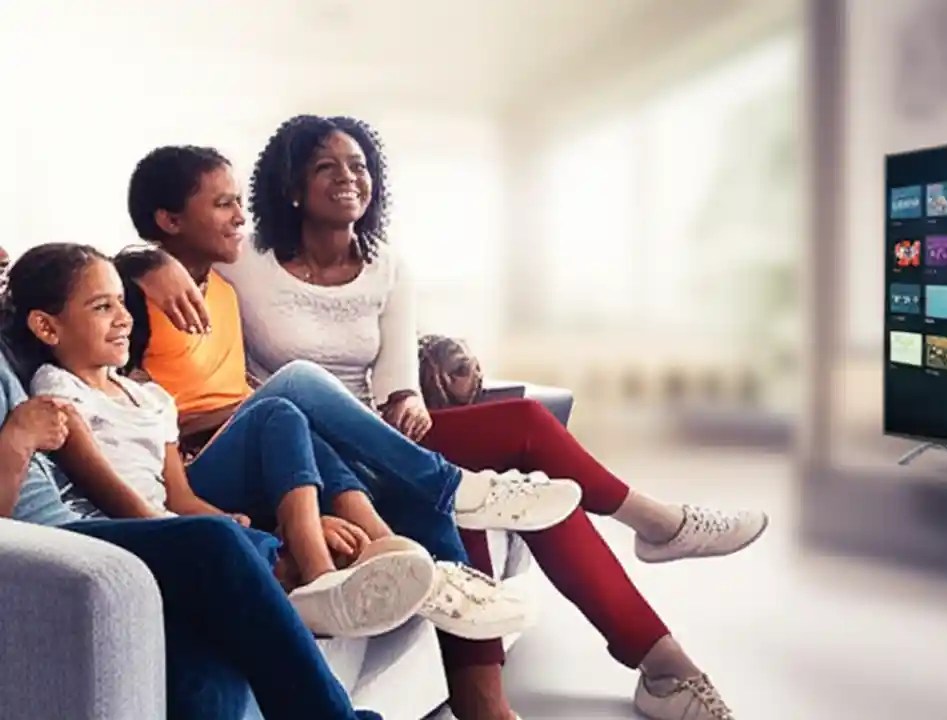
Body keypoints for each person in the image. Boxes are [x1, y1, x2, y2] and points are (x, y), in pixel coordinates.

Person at [131, 124, 767, 720]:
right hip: (294, 442)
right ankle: (651, 539)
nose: (347, 176)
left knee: (515, 470)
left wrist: (407, 398)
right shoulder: (245, 262)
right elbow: (133, 259)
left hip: (376, 433)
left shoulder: (387, 267)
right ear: (291, 187)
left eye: (357, 164)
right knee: (466, 459)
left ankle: (653, 664)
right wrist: (146, 262)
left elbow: (398, 373)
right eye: (325, 166)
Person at [9, 242, 574, 643]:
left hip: (196, 492)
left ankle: (389, 554)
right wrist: (226, 533)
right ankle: (435, 497)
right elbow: (133, 507)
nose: (123, 318)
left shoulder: (151, 393)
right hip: (153, 528)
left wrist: (236, 523)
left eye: (120, 303)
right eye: (102, 306)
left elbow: (180, 496)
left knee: (287, 412)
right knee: (296, 387)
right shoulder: (54, 395)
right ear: (46, 328)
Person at [0, 348, 383, 718]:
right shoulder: (51, 381)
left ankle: (298, 559)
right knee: (214, 543)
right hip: (47, 546)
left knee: (204, 670)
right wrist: (18, 437)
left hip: (80, 531)